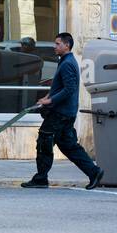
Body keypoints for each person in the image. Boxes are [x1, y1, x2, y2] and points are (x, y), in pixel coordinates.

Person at [22, 32, 104, 190]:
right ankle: (94, 172)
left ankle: (41, 178)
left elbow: (69, 89)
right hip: (66, 113)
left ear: (67, 45)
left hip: (60, 114)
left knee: (44, 142)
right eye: (55, 43)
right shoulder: (66, 61)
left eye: (58, 44)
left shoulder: (67, 63)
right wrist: (47, 96)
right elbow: (59, 86)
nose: (55, 46)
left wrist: (50, 101)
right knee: (69, 146)